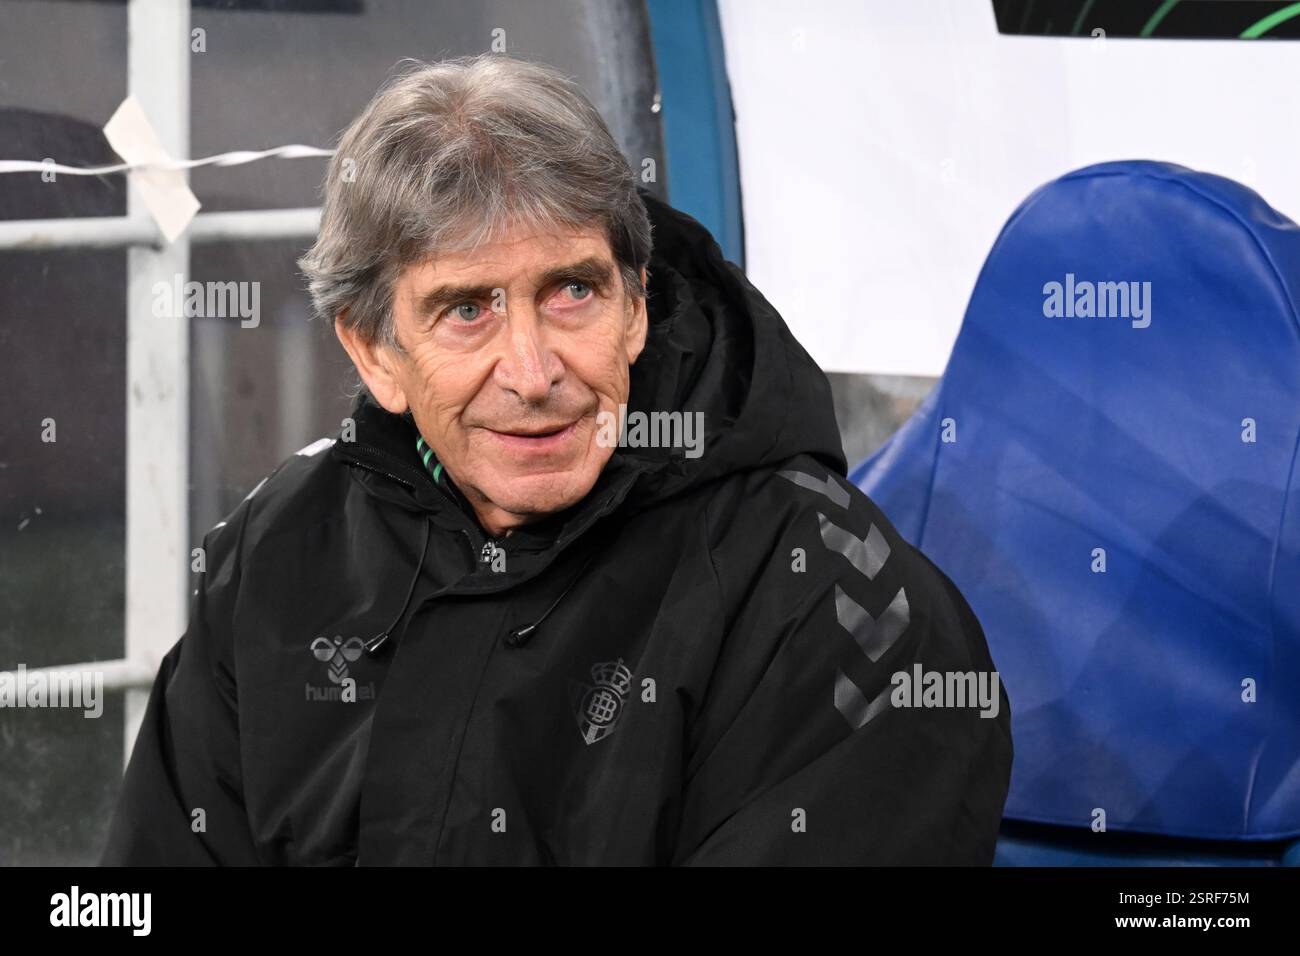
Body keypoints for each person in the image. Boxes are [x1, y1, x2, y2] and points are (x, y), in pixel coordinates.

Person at [101, 53, 1011, 866]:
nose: (533, 375)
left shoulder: (828, 596)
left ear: (637, 304)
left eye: (572, 291)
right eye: (468, 310)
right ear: (375, 353)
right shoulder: (280, 550)